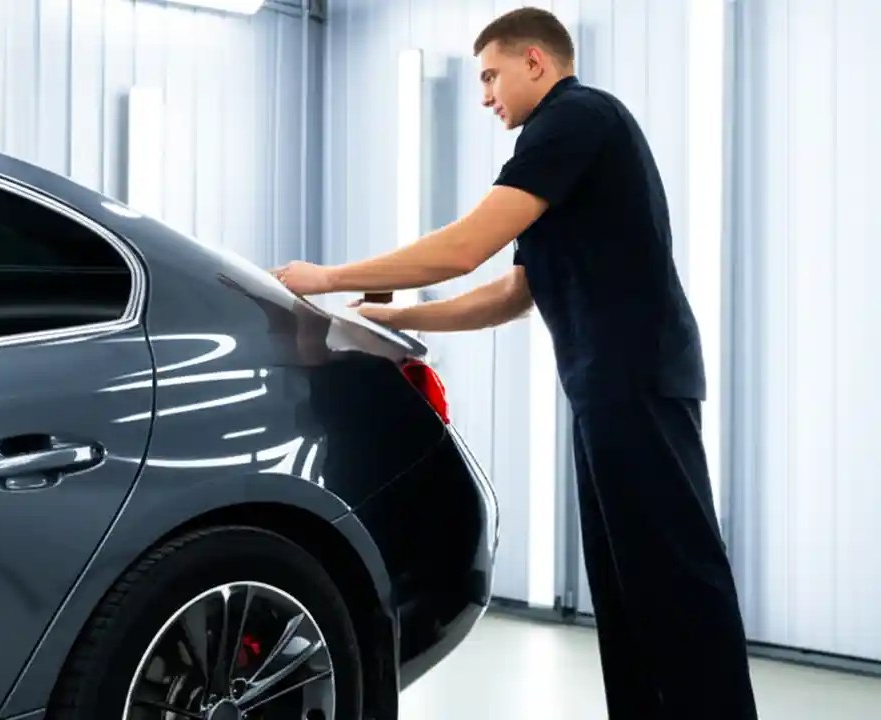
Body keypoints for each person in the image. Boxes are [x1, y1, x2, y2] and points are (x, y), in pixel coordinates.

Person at [270, 7, 758, 720]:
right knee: (626, 585)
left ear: (536, 61)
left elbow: (467, 245)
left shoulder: (575, 118)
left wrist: (328, 276)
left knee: (674, 576)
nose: (485, 94)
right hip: (606, 387)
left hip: (636, 380)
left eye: (492, 75)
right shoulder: (563, 148)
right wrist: (393, 316)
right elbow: (512, 290)